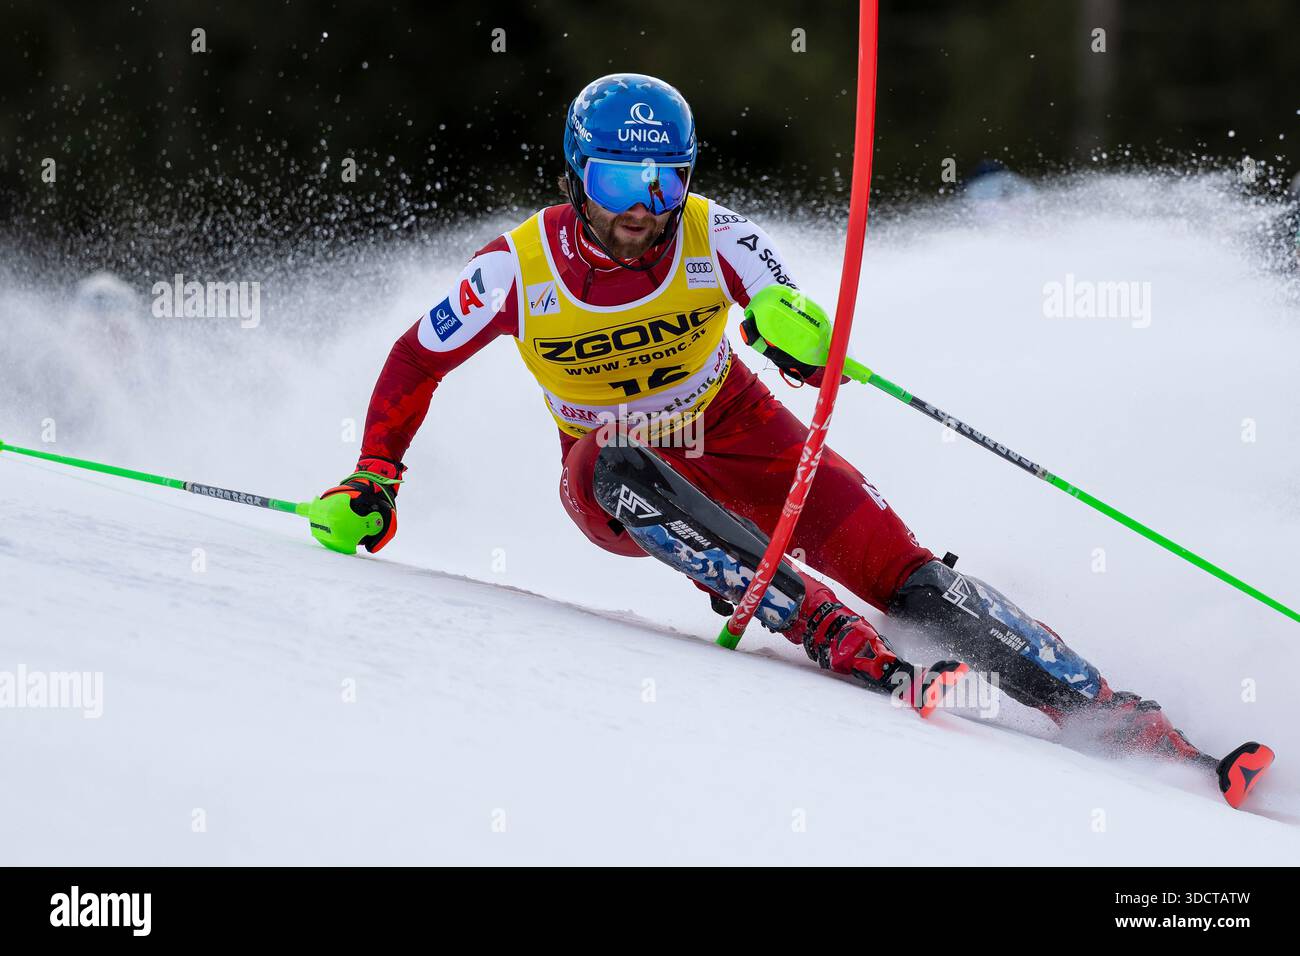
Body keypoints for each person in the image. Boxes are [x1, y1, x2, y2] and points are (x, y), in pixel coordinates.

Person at [319, 73, 1250, 778]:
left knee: (912, 576)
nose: (643, 207)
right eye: (617, 179)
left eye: (665, 180)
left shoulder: (712, 231)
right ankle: (824, 628)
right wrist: (375, 478)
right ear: (575, 172)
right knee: (618, 458)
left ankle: (1114, 714)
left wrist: (795, 336)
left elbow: (788, 313)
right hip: (614, 476)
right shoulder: (517, 269)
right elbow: (415, 361)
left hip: (739, 428)